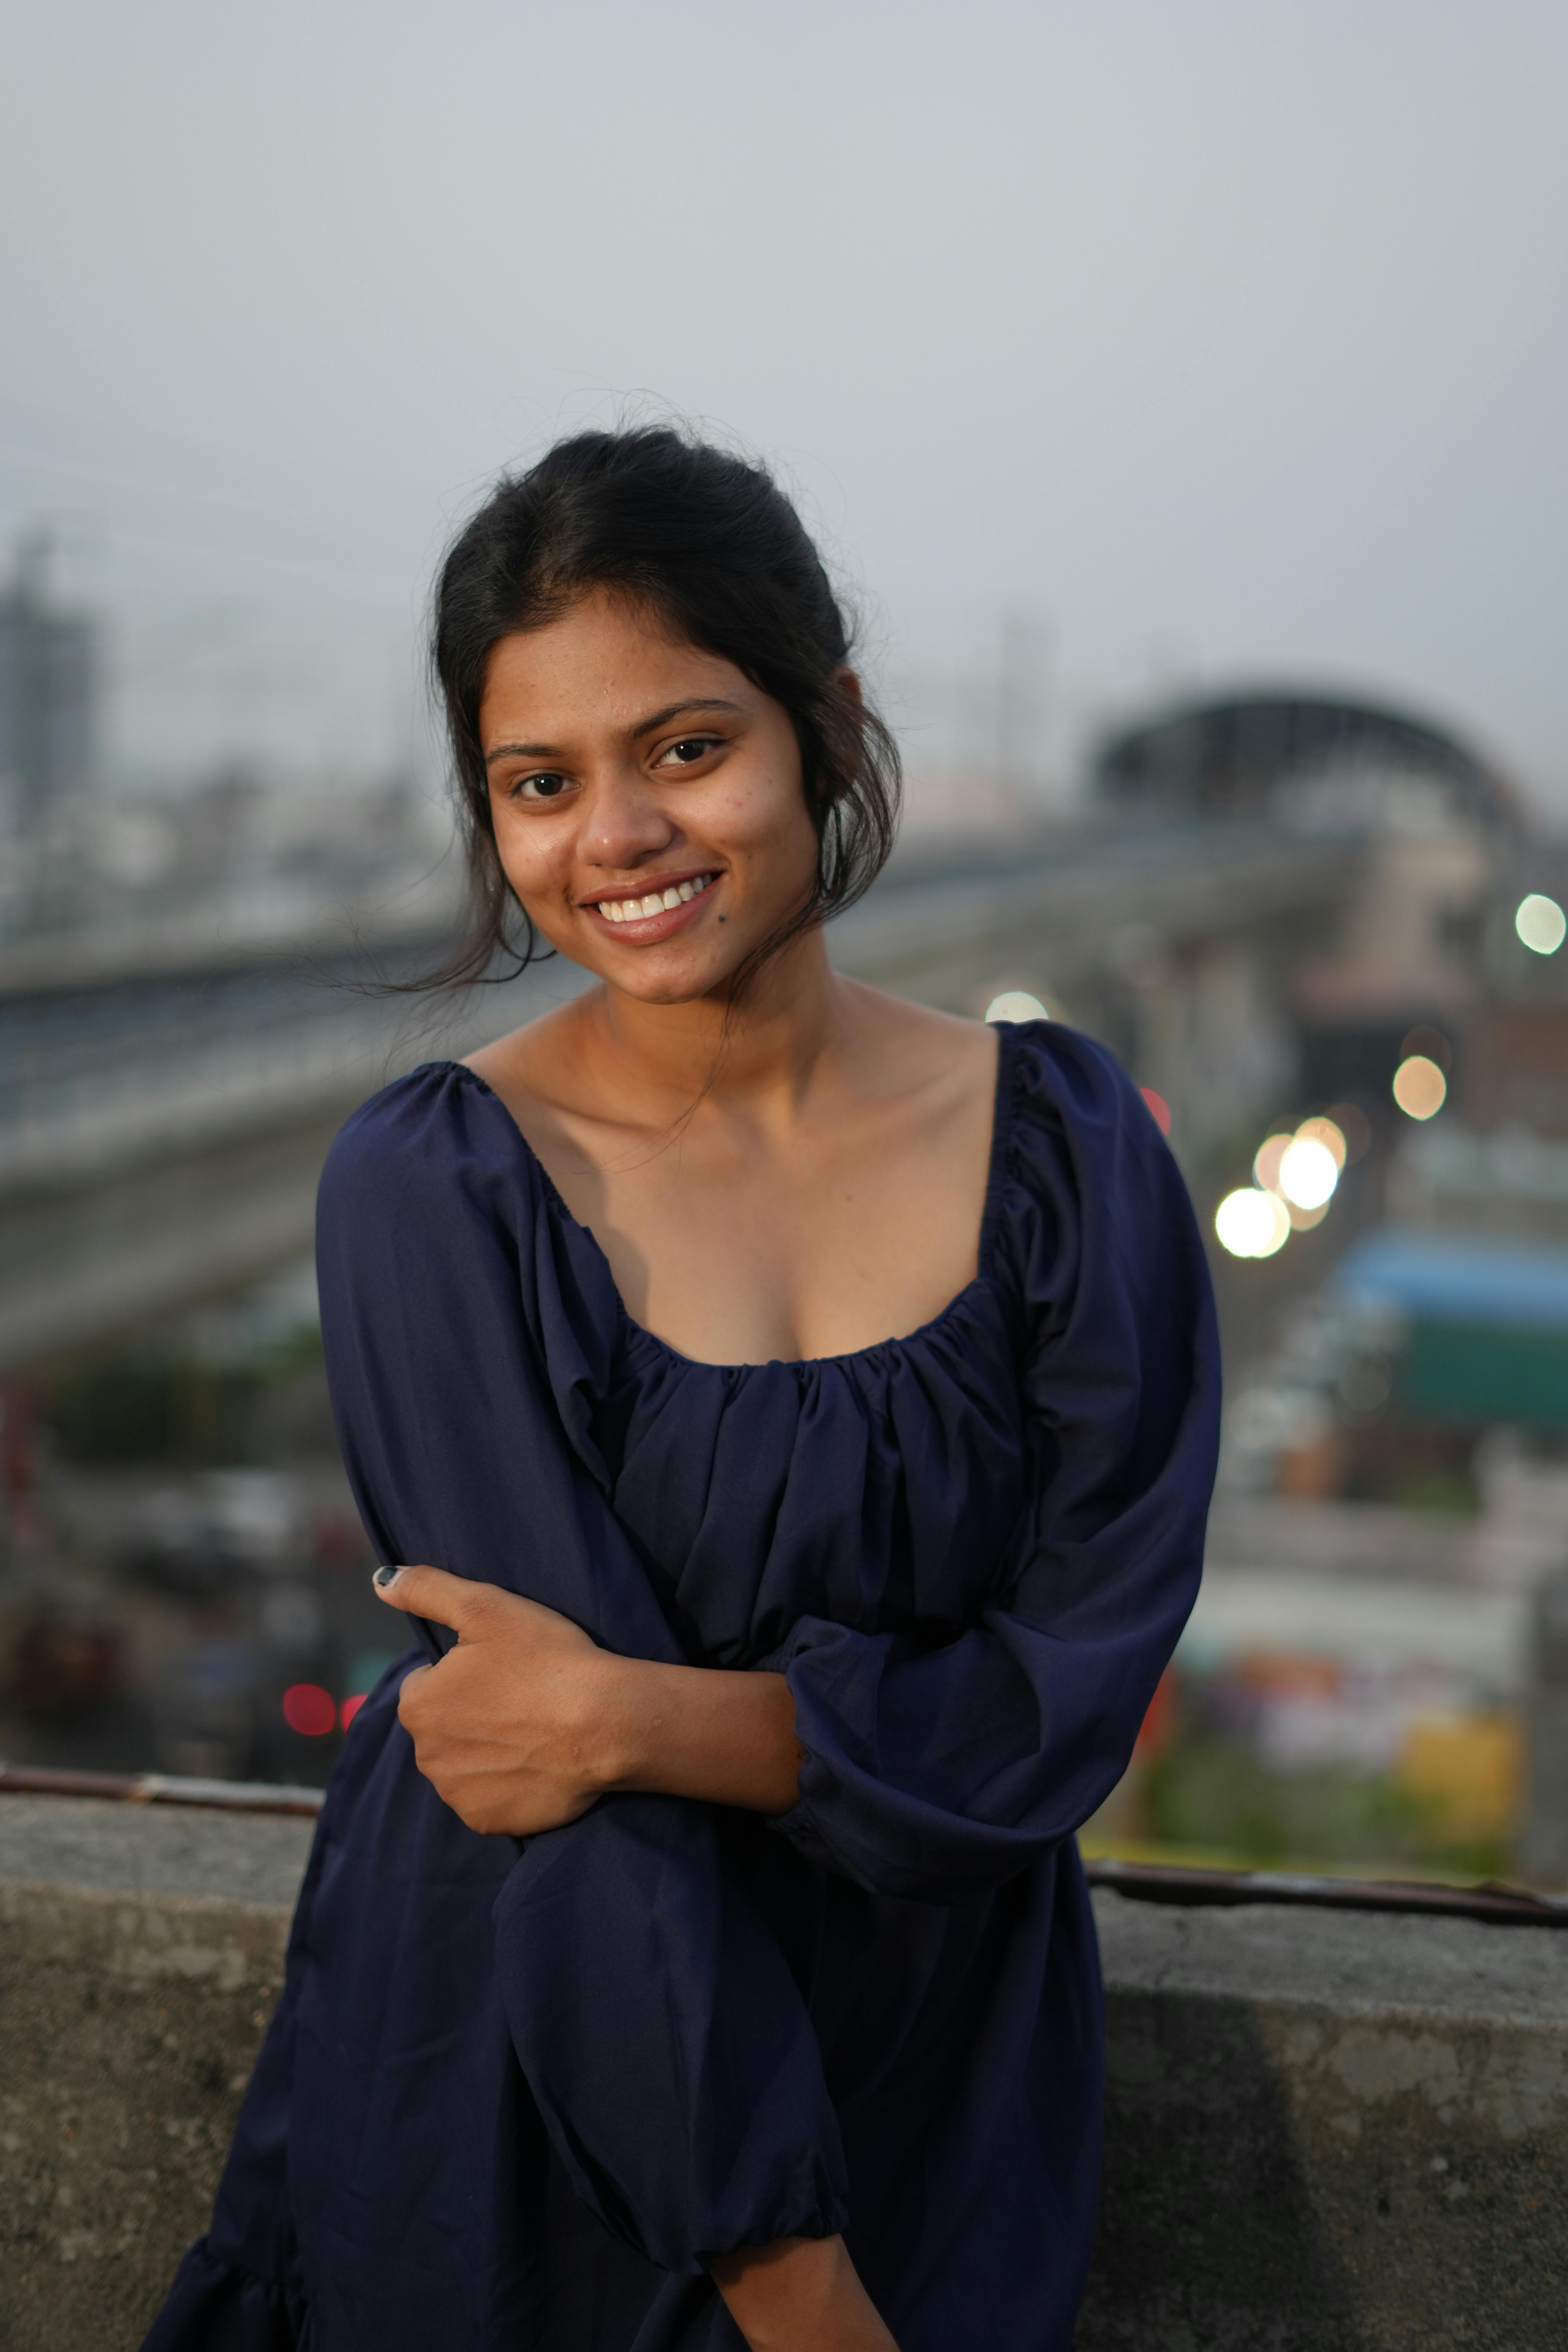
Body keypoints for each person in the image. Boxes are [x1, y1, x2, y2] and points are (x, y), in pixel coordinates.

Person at [143, 426, 1219, 2352]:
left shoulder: (1070, 1153)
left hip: (947, 2077)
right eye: (540, 785)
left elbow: (1067, 1708)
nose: (616, 837)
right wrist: (791, 2281)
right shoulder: (440, 1192)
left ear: (826, 724)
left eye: (687, 747)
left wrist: (642, 1711)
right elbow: (536, 1784)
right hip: (540, 2081)